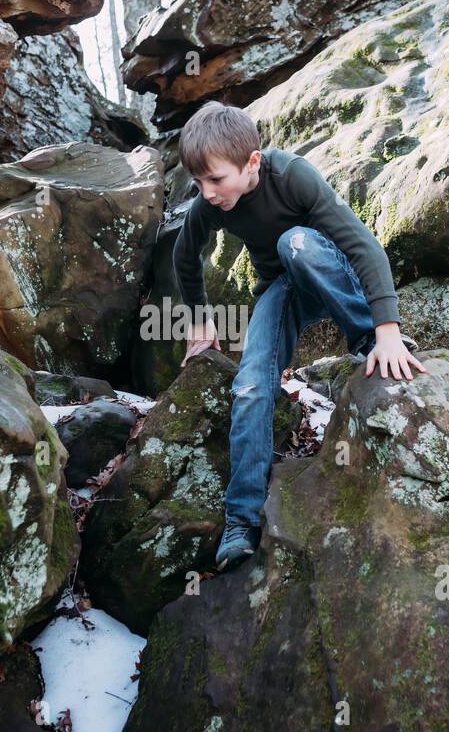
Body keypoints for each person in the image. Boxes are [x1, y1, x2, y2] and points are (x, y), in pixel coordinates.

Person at [171, 101, 427, 572]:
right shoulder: (210, 202)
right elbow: (185, 259)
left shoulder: (292, 176)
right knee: (250, 386)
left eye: (215, 180)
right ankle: (241, 520)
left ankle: (364, 341)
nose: (206, 193)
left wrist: (386, 332)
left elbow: (361, 245)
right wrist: (200, 320)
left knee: (297, 242)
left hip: (327, 271)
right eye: (199, 183)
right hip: (282, 291)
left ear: (252, 163)